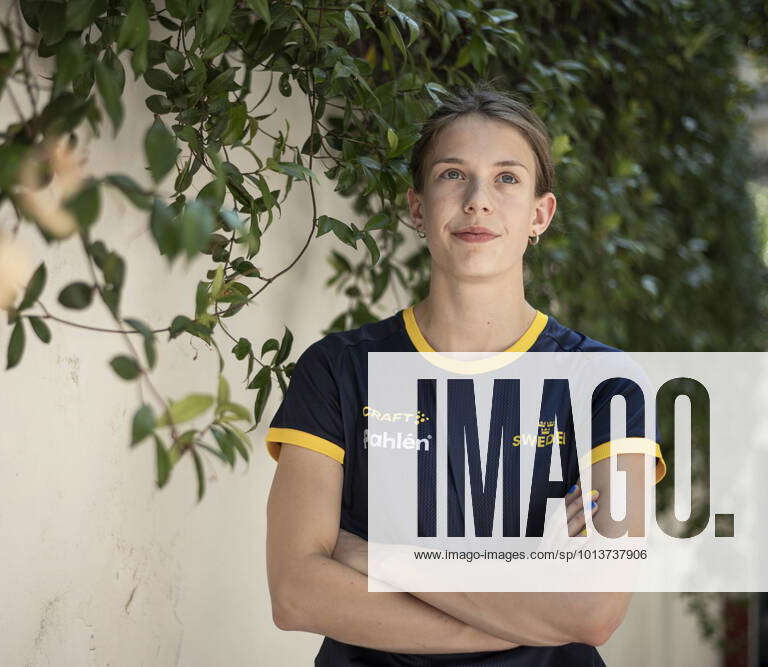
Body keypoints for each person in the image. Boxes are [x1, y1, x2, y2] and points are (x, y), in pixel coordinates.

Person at [264, 83, 667, 666]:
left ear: (539, 214)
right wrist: (534, 606)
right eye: (453, 174)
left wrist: (376, 557)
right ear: (418, 207)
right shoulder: (337, 370)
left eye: (507, 178)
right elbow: (296, 596)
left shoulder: (606, 383)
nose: (479, 200)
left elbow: (593, 611)